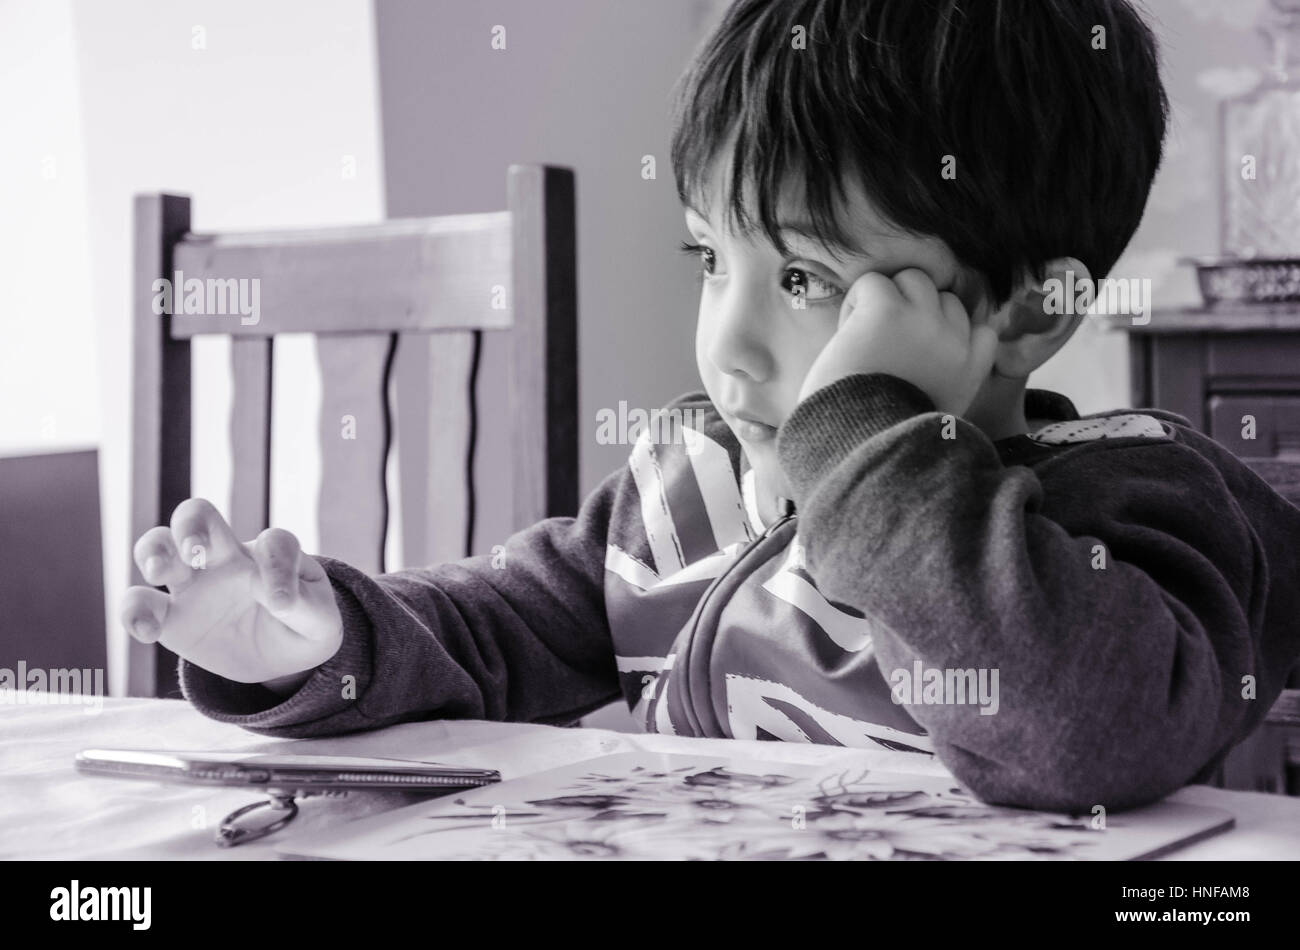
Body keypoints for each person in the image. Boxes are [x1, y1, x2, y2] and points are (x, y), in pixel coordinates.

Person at [121, 0, 1300, 812]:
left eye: (804, 279)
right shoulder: (682, 493)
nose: (723, 344)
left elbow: (1086, 731)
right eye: (708, 260)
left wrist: (869, 442)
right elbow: (491, 632)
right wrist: (321, 645)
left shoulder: (1132, 504)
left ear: (1031, 310)